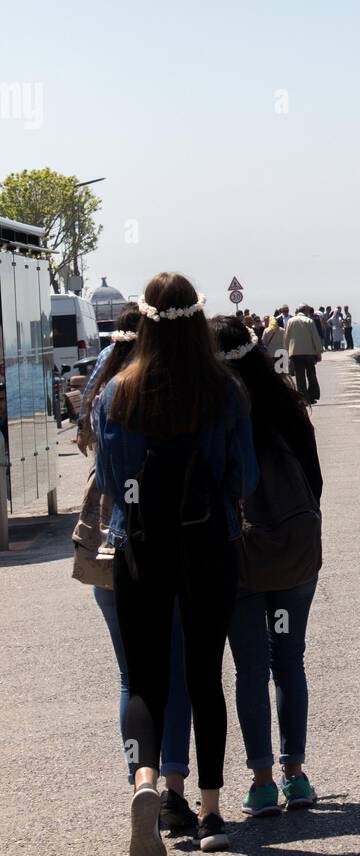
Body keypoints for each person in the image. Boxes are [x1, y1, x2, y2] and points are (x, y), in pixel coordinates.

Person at [96, 272, 258, 856]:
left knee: (144, 680)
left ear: (144, 319)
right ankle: (212, 815)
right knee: (205, 675)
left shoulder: (119, 393)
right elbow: (245, 476)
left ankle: (146, 781)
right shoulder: (225, 391)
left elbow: (112, 482)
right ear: (198, 320)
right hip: (209, 545)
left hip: (140, 547)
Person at [73, 305, 195, 828]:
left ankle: (138, 781)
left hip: (107, 551)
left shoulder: (103, 395)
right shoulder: (149, 393)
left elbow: (108, 470)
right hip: (157, 545)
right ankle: (172, 788)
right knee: (177, 672)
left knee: (132, 676)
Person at [211, 315, 322, 814]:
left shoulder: (214, 412)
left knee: (249, 671)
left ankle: (261, 782)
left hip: (240, 558)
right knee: (289, 662)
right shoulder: (288, 405)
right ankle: (295, 775)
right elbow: (314, 482)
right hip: (295, 554)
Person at [282, 305, 323, 405]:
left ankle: (303, 398)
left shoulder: (290, 321)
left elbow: (286, 338)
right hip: (309, 352)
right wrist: (318, 352)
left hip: (295, 353)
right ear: (305, 311)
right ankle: (313, 395)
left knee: (300, 376)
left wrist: (287, 350)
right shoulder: (309, 321)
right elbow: (315, 337)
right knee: (311, 374)